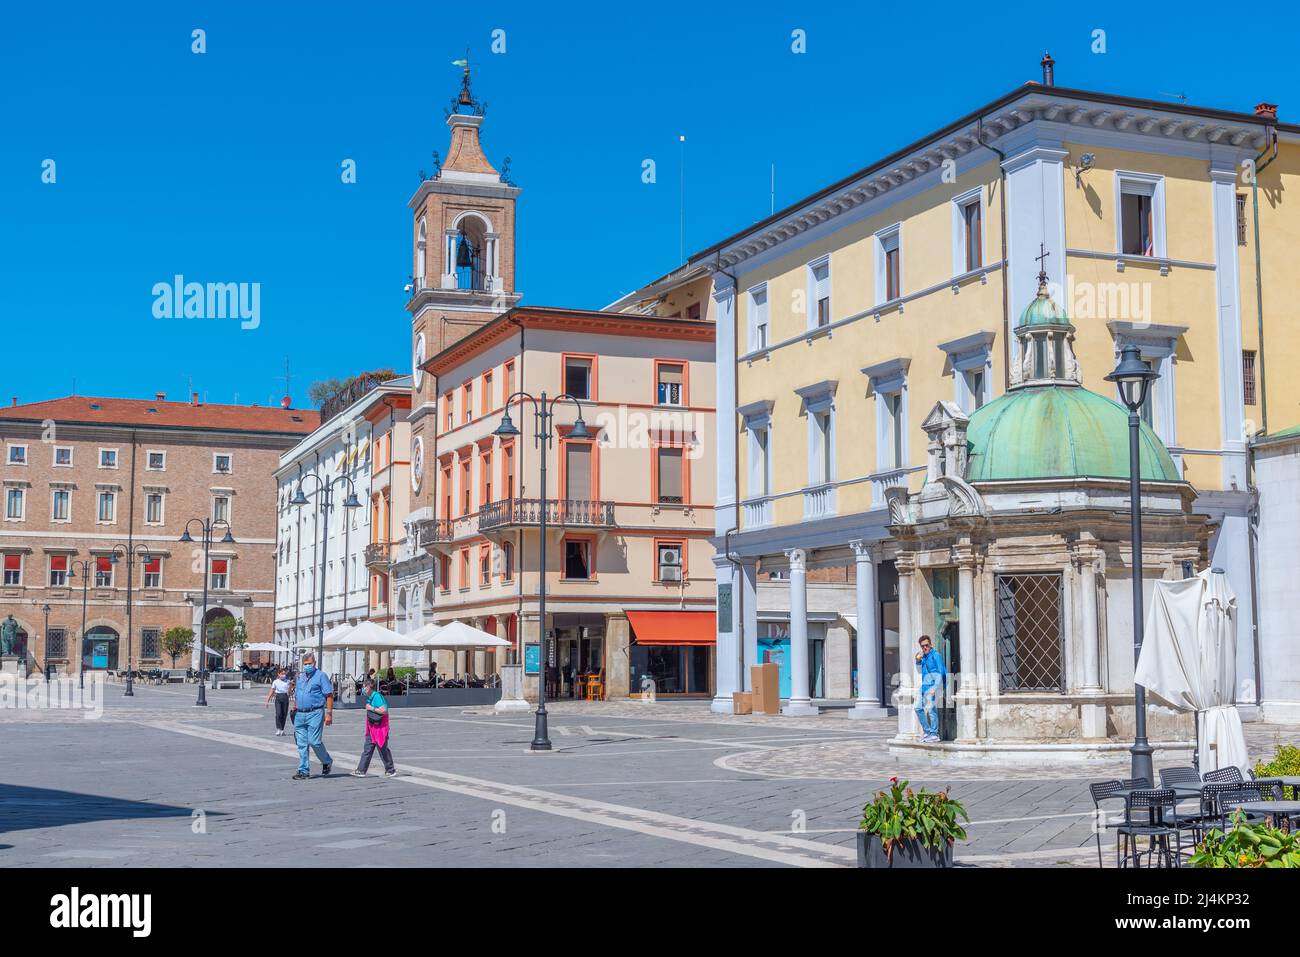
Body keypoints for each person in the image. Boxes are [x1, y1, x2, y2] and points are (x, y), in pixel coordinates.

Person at [291, 652, 334, 780]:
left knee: (314, 741)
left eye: (309, 664)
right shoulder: (301, 677)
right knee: (301, 744)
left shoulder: (321, 676)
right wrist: (295, 707)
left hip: (315, 712)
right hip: (300, 714)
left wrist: (329, 714)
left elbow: (329, 695)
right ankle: (303, 770)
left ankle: (326, 760)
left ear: (314, 663)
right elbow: (298, 694)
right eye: (305, 664)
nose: (307, 666)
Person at [351, 676, 397, 778]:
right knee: (368, 749)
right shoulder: (370, 697)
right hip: (372, 728)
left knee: (383, 749)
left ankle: (390, 769)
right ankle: (361, 770)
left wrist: (371, 708)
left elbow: (383, 710)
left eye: (364, 687)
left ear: (368, 687)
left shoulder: (376, 696)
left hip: (380, 728)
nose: (362, 689)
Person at [913, 635, 947, 743]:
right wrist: (917, 661)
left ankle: (934, 734)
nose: (925, 648)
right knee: (918, 708)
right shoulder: (923, 657)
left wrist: (935, 688)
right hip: (924, 686)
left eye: (927, 645)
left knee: (932, 710)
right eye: (923, 646)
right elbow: (919, 671)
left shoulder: (936, 655)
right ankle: (927, 732)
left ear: (931, 645)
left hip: (933, 686)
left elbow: (941, 672)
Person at [265, 667, 292, 736]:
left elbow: (289, 692)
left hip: (285, 697)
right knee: (278, 713)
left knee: (284, 714)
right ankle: (278, 728)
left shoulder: (288, 681)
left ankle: (282, 729)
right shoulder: (275, 682)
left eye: (284, 674)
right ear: (278, 674)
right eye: (282, 674)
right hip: (278, 697)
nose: (283, 675)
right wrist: (267, 700)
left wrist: (290, 688)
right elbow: (272, 691)